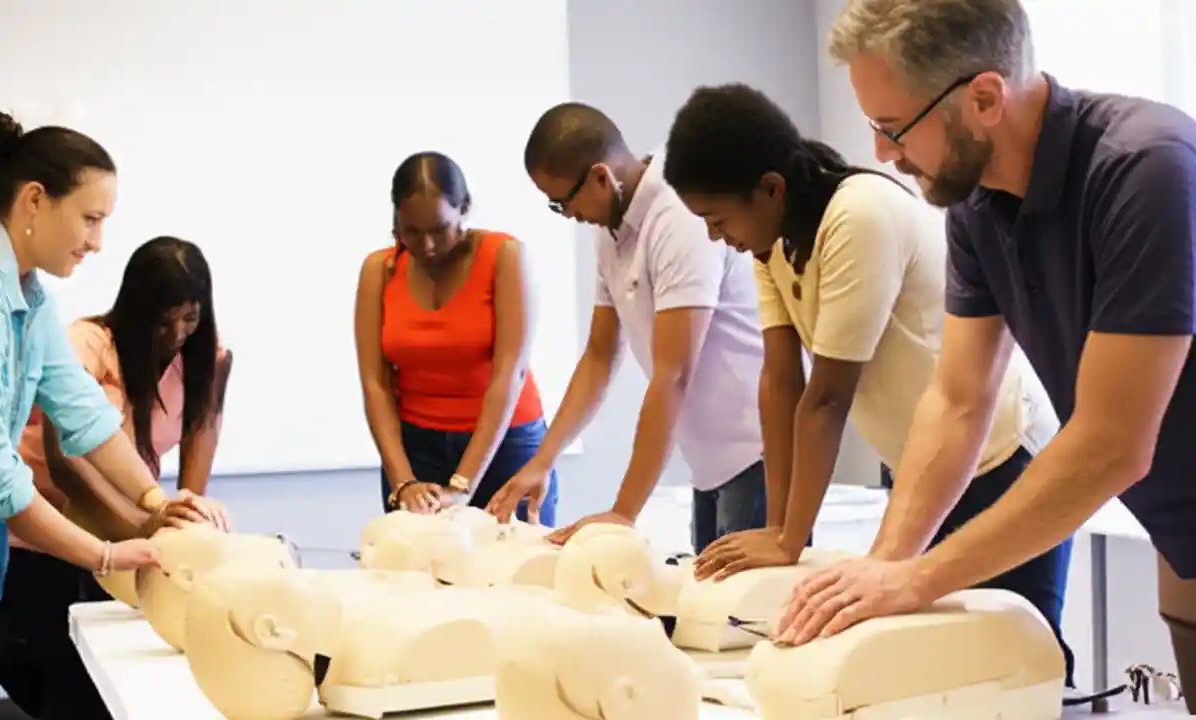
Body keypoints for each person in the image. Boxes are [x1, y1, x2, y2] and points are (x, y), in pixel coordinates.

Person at [777, 0, 1196, 708]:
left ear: (983, 98)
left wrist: (919, 578)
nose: (881, 153)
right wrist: (885, 566)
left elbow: (1112, 443)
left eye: (891, 127)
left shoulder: (1145, 169)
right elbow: (957, 397)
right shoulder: (976, 202)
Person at [661, 82, 1073, 683]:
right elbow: (780, 383)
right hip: (920, 464)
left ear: (770, 188)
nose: (713, 236)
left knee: (1016, 660)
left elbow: (827, 396)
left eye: (717, 219)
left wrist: (790, 539)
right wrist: (779, 532)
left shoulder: (859, 215)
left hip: (1000, 457)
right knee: (929, 665)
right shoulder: (770, 242)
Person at [0, 112, 213, 719]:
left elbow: (80, 410)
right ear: (34, 201)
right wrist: (104, 554)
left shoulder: (23, 290)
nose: (98, 241)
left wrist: (155, 502)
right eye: (90, 218)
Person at [485, 103, 766, 554]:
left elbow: (674, 373)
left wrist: (623, 513)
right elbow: (599, 356)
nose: (567, 214)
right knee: (708, 604)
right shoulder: (611, 226)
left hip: (756, 451)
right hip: (709, 461)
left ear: (601, 176)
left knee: (738, 615)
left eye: (563, 202)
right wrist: (543, 460)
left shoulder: (679, 217)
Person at [0, 237, 233, 719]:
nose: (177, 334)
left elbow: (196, 452)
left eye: (190, 317)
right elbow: (70, 464)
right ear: (136, 309)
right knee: (64, 687)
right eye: (163, 321)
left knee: (123, 682)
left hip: (127, 534)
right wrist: (144, 526)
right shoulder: (86, 346)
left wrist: (184, 524)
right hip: (43, 534)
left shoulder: (209, 358)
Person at [355, 151, 558, 524]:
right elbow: (375, 384)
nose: (427, 245)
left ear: (464, 209)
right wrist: (403, 482)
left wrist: (463, 484)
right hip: (416, 446)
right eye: (412, 231)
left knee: (516, 570)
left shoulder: (504, 256)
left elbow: (508, 374)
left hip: (504, 444)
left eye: (439, 229)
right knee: (418, 570)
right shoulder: (379, 270)